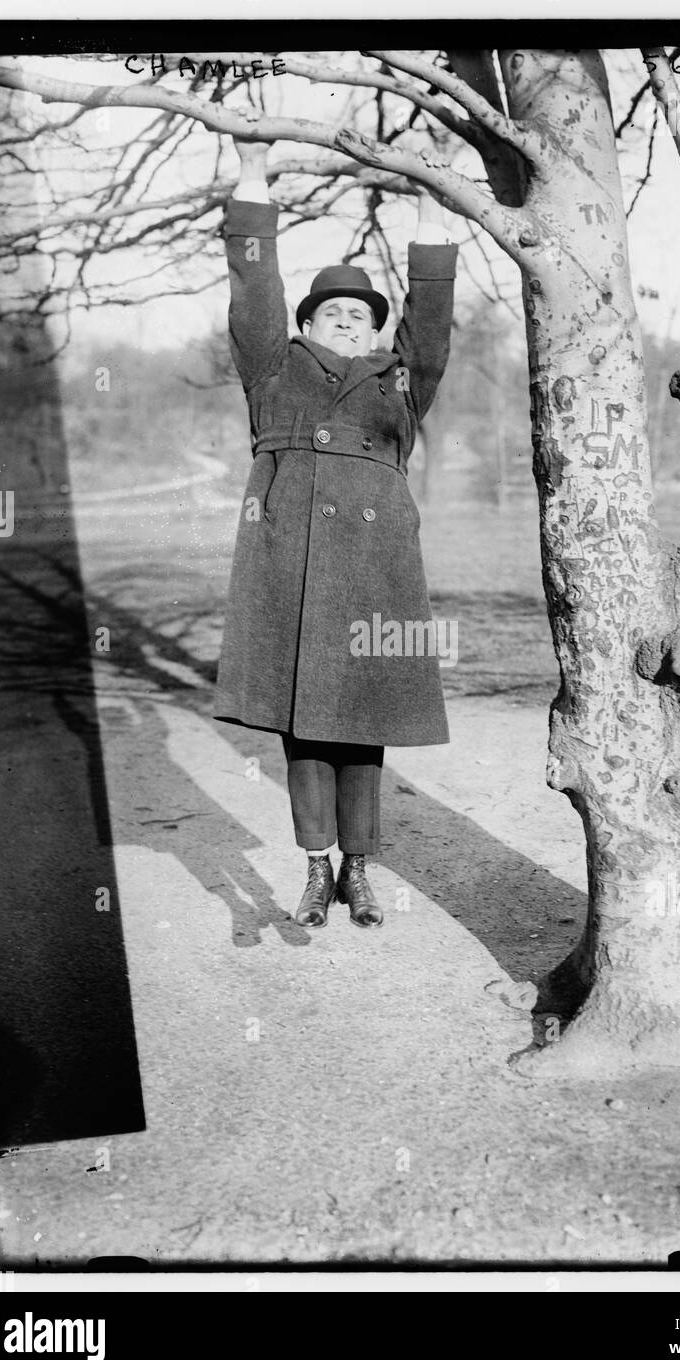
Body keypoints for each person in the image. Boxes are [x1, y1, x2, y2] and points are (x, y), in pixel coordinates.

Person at [213, 138, 458, 929]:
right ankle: (317, 868)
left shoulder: (399, 385)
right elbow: (254, 288)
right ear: (307, 324)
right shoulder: (272, 371)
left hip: (376, 572)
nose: (349, 321)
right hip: (288, 567)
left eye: (362, 315)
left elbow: (432, 323)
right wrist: (252, 177)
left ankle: (360, 867)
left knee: (365, 729)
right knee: (301, 729)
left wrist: (429, 206)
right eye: (333, 313)